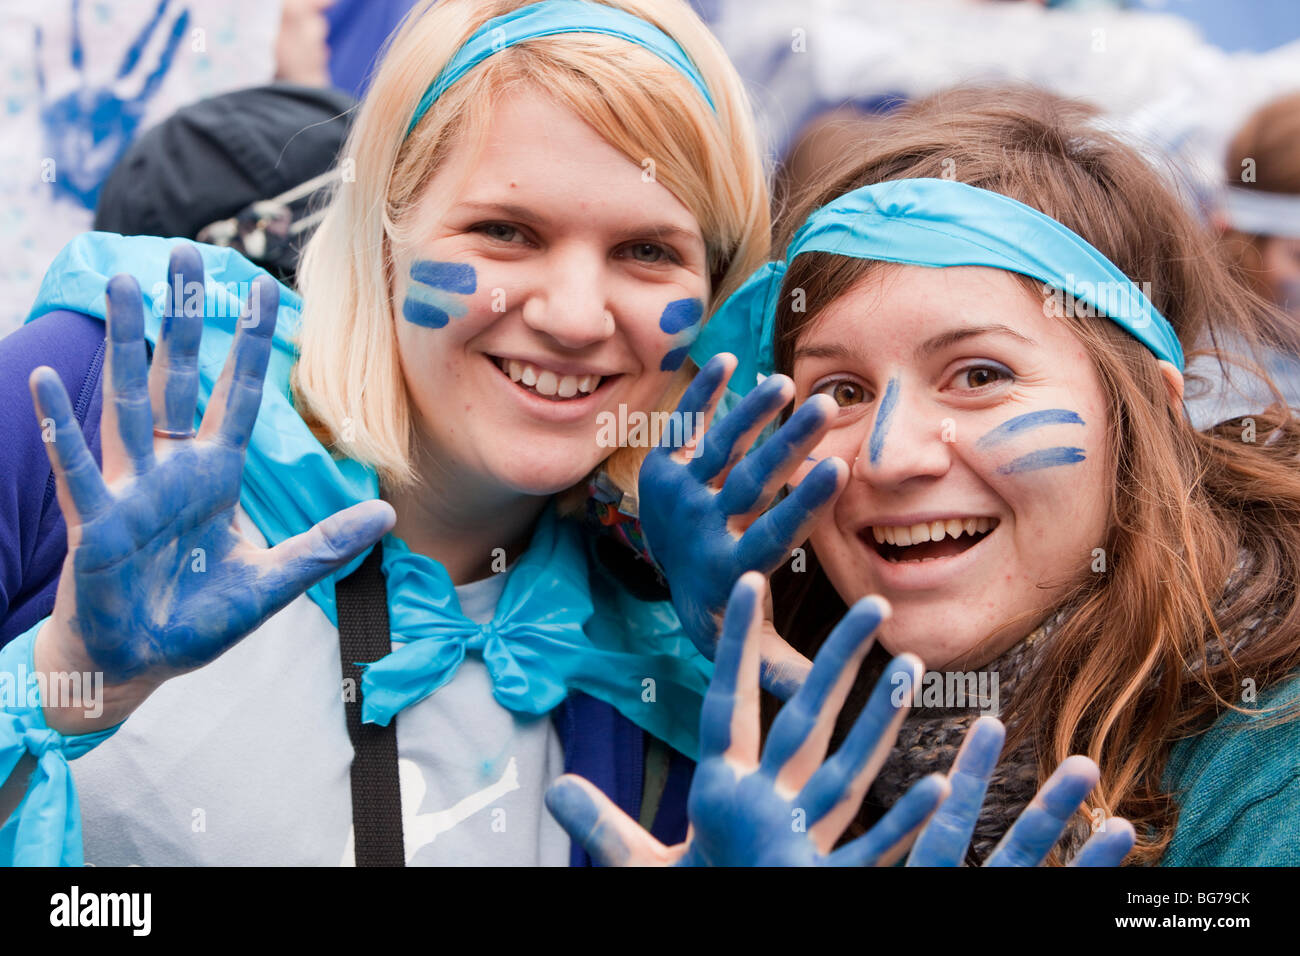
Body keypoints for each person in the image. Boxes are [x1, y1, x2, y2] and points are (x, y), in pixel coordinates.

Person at [0, 0, 779, 867]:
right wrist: (56, 685)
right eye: (505, 232)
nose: (571, 317)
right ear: (381, 235)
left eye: (646, 251)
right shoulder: (86, 404)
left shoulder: (660, 650)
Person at [621, 86, 1300, 866]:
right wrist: (692, 637)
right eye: (840, 392)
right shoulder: (773, 711)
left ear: (1151, 415)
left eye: (979, 375)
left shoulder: (1272, 764)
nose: (889, 456)